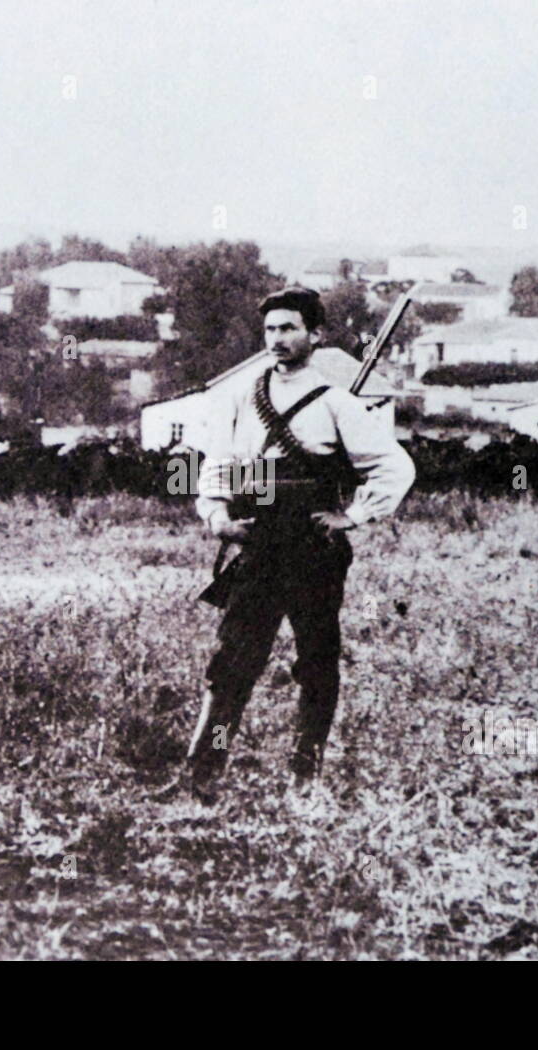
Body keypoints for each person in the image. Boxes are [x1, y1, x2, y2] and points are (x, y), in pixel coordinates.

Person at [169, 286, 415, 803]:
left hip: (311, 547)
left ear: (315, 335)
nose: (277, 340)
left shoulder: (337, 404)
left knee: (316, 662)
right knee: (232, 662)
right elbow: (215, 464)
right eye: (270, 330)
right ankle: (200, 776)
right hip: (256, 544)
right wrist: (216, 515)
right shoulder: (239, 397)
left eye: (289, 329)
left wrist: (353, 516)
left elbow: (394, 466)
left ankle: (305, 777)